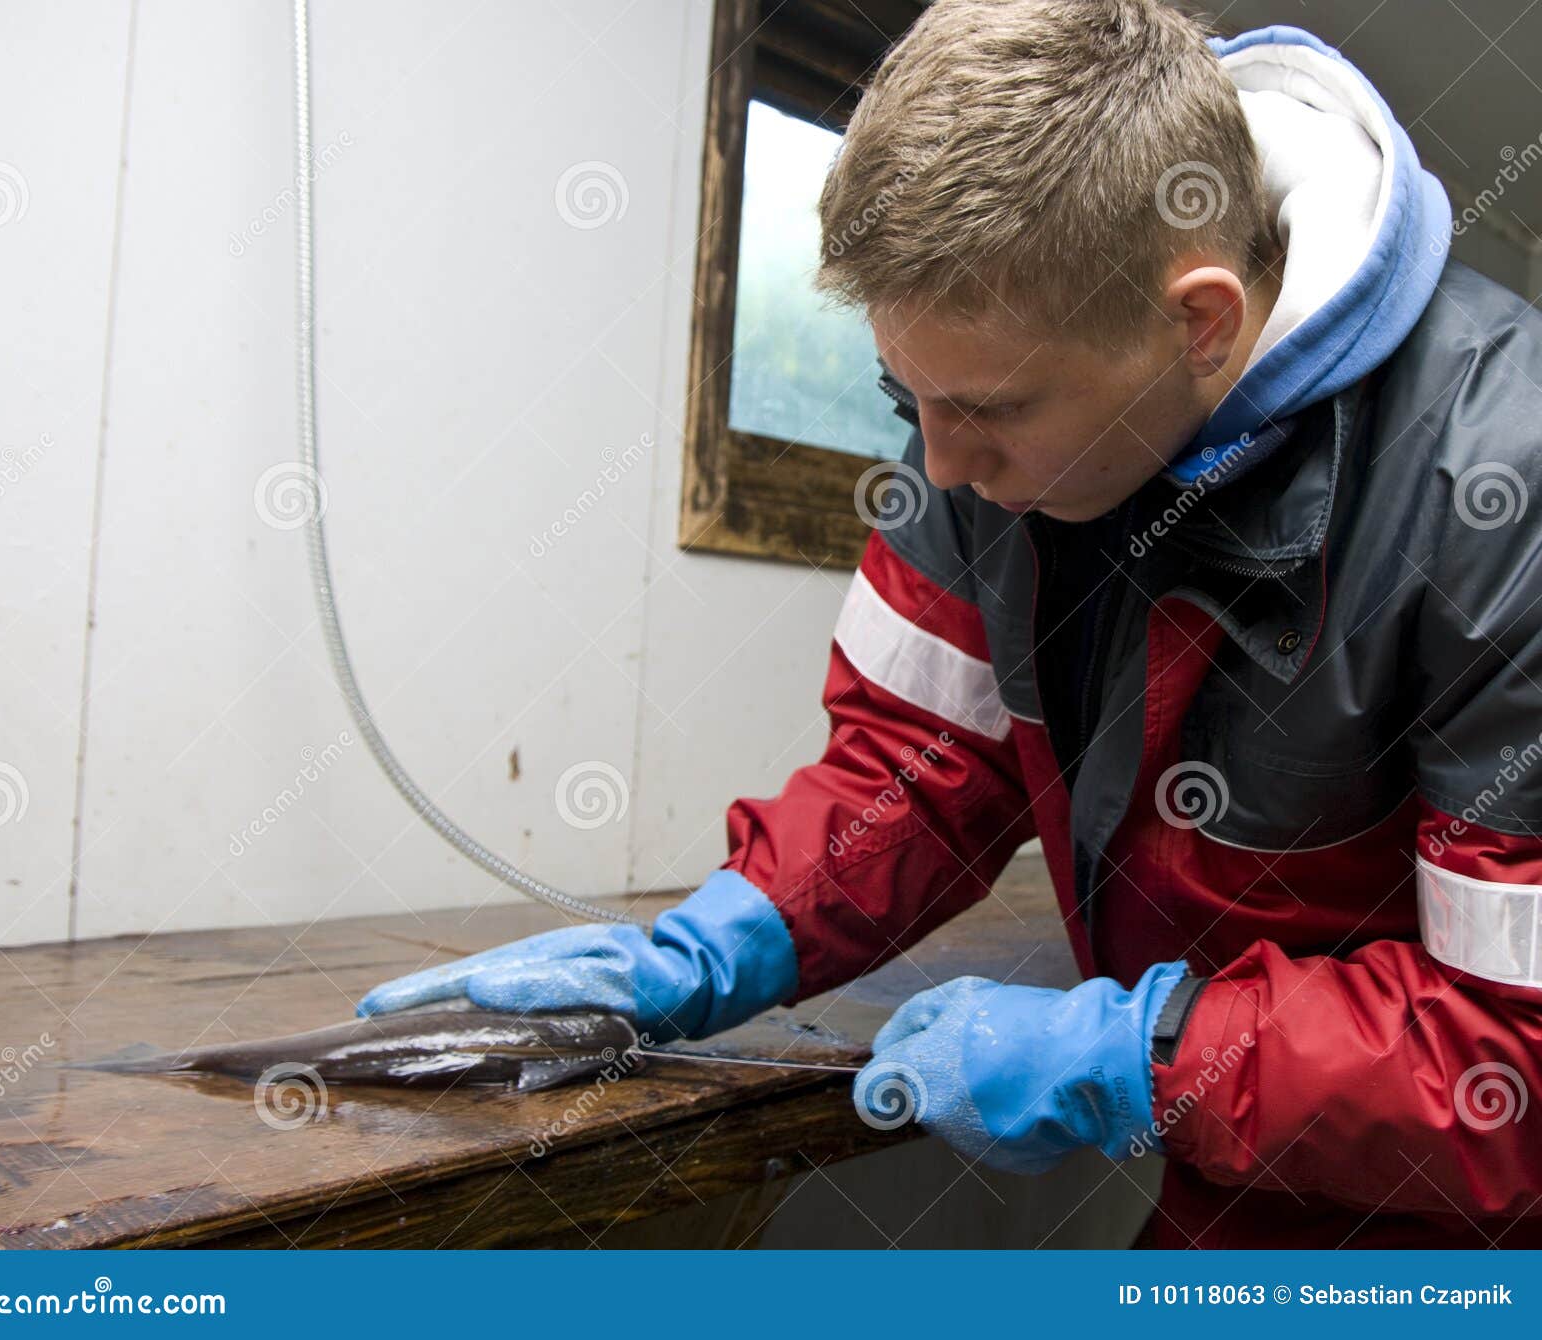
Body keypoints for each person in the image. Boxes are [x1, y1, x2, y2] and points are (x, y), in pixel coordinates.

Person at [358, 0, 1542, 1248]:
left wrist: (1141, 1052)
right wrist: (725, 938)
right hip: (1248, 1194)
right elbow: (915, 768)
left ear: (1196, 322)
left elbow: (1508, 1063)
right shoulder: (994, 420)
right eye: (900, 392)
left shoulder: (1497, 497)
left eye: (988, 406)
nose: (936, 461)